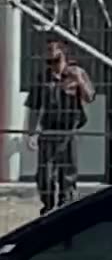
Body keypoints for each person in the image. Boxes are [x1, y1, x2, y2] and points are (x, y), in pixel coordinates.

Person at [28, 34, 91, 214]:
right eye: (46, 49)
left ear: (63, 50)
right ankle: (48, 207)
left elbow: (89, 97)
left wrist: (79, 81)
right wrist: (32, 133)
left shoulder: (77, 73)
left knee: (68, 175)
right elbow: (34, 106)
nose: (47, 53)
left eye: (51, 48)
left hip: (69, 132)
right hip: (48, 132)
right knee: (44, 175)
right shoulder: (43, 77)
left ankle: (66, 209)